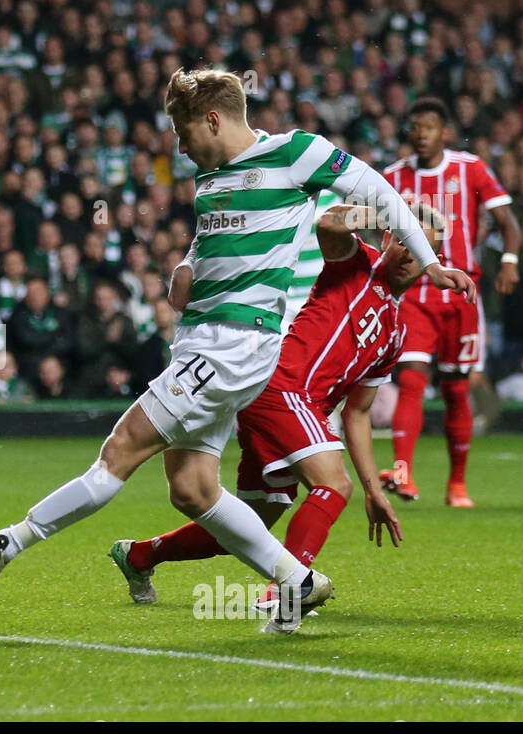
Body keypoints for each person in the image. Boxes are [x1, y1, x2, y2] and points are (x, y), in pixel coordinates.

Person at [0, 69, 473, 633]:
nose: (178, 147)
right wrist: (184, 269)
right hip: (204, 344)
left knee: (120, 450)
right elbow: (204, 246)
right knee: (193, 489)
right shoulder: (210, 182)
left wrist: (431, 264)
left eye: (182, 132)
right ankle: (293, 579)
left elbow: (386, 197)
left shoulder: (296, 153)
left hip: (231, 348)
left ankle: (7, 543)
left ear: (213, 119)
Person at [110, 202, 441, 609]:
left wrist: (375, 491)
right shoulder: (359, 263)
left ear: (433, 261)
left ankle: (141, 555)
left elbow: (357, 413)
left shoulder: (396, 333)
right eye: (406, 240)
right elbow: (329, 223)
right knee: (334, 484)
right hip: (282, 386)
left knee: (251, 524)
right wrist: (386, 210)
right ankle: (290, 586)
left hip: (295, 408)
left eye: (424, 246)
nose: (410, 253)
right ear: (390, 239)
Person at [380, 97, 521, 507]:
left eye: (429, 127)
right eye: (414, 127)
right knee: (410, 379)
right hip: (413, 294)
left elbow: (507, 223)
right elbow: (374, 230)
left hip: (461, 294)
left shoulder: (470, 167)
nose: (421, 135)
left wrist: (509, 262)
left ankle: (456, 484)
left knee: (457, 390)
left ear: (443, 131)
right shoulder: (393, 176)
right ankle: (403, 472)